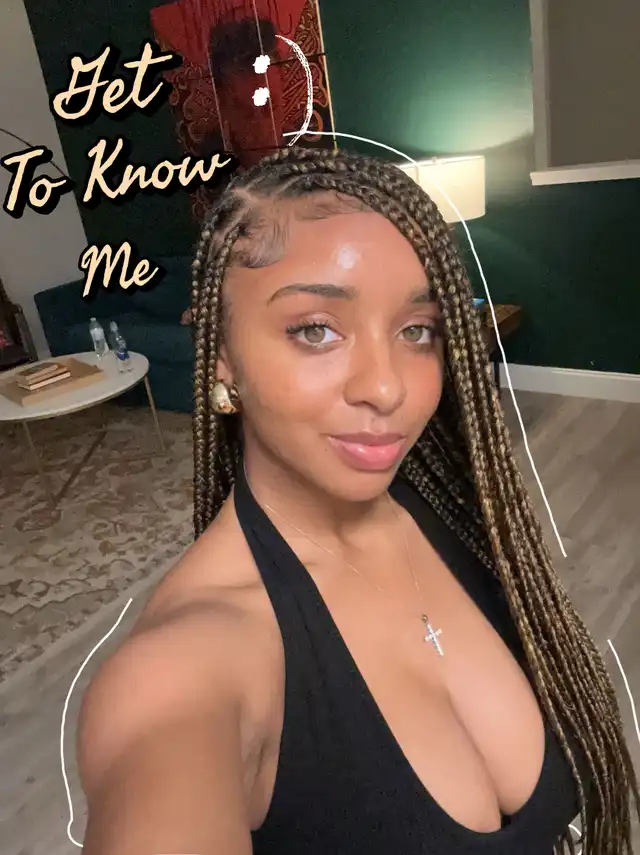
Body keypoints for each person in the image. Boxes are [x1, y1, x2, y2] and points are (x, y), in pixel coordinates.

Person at [77, 147, 638, 855]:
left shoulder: (456, 515)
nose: (386, 386)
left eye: (416, 330)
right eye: (316, 329)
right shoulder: (179, 673)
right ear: (221, 355)